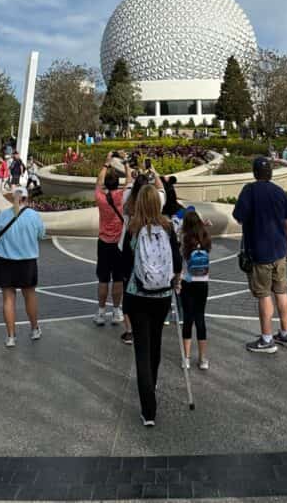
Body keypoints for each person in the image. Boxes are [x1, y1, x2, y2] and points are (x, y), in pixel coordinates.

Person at [120, 183, 183, 426]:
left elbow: (125, 266)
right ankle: (152, 383)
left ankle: (148, 410)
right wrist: (176, 279)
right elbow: (177, 261)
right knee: (155, 342)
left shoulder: (133, 230)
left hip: (138, 296)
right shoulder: (167, 229)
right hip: (162, 296)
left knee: (142, 349)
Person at [232, 156, 287, 354]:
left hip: (260, 252)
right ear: (270, 173)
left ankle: (267, 339)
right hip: (280, 251)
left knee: (264, 295)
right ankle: (285, 334)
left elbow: (239, 218)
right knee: (281, 292)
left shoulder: (249, 191)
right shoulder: (278, 192)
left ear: (254, 173)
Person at [0, 185, 46, 347]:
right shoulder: (34, 216)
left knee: (8, 298)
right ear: (26, 199)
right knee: (30, 295)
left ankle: (11, 336)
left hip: (4, 260)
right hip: (27, 261)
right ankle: (34, 329)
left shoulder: (3, 215)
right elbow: (41, 234)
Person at [94, 168, 127, 327]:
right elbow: (129, 181)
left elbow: (98, 183)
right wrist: (126, 164)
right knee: (118, 278)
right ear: (117, 183)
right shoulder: (121, 196)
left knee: (103, 278)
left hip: (103, 243)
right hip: (119, 243)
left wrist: (106, 164)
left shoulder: (100, 197)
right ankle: (116, 311)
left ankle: (101, 312)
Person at [179, 208, 211, 371]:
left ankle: (186, 358)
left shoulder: (184, 238)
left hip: (187, 282)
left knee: (188, 319)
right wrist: (203, 226)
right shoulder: (205, 239)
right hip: (203, 283)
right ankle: (203, 358)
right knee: (200, 319)